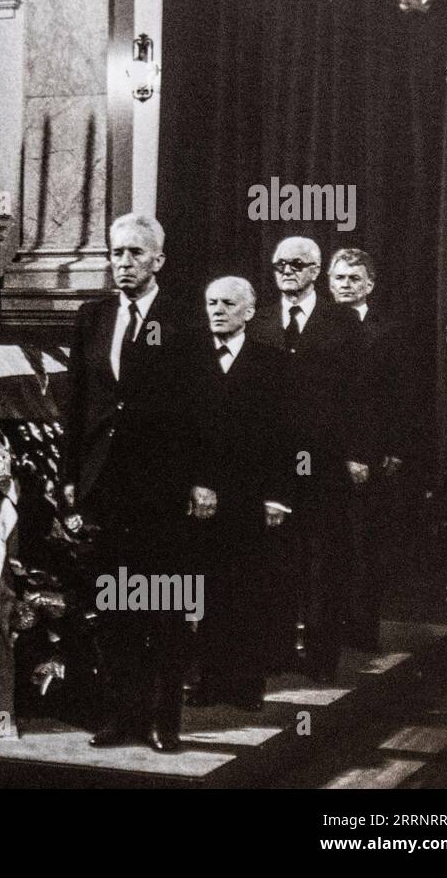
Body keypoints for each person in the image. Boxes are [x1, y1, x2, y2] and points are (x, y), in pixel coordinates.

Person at [61, 213, 204, 753]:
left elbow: (202, 410)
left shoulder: (186, 318)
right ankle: (123, 716)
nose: (123, 263)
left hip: (162, 489)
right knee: (115, 607)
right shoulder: (91, 317)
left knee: (164, 607)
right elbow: (75, 403)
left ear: (158, 260)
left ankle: (165, 723)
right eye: (116, 253)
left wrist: (201, 481)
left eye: (134, 254)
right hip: (103, 486)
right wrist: (67, 480)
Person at [247, 236, 366, 681]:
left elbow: (359, 393)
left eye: (297, 264)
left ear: (316, 270)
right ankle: (276, 650)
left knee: (322, 556)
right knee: (275, 556)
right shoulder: (257, 323)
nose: (287, 271)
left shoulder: (342, 322)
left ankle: (320, 657)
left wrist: (357, 452)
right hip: (271, 460)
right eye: (279, 264)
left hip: (324, 456)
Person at [185, 277, 292, 711]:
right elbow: (178, 430)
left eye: (228, 303)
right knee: (207, 587)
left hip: (252, 495)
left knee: (249, 588)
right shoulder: (189, 359)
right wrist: (193, 483)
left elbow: (286, 435)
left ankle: (247, 685)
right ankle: (210, 681)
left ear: (249, 312)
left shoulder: (273, 362)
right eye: (211, 302)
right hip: (200, 495)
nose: (218, 310)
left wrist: (278, 496)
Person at [328, 247, 416, 651]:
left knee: (366, 543)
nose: (345, 285)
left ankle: (360, 631)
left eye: (353, 278)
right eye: (339, 278)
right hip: (323, 454)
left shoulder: (390, 330)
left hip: (374, 452)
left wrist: (392, 448)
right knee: (327, 546)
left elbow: (401, 396)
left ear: (370, 284)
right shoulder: (314, 327)